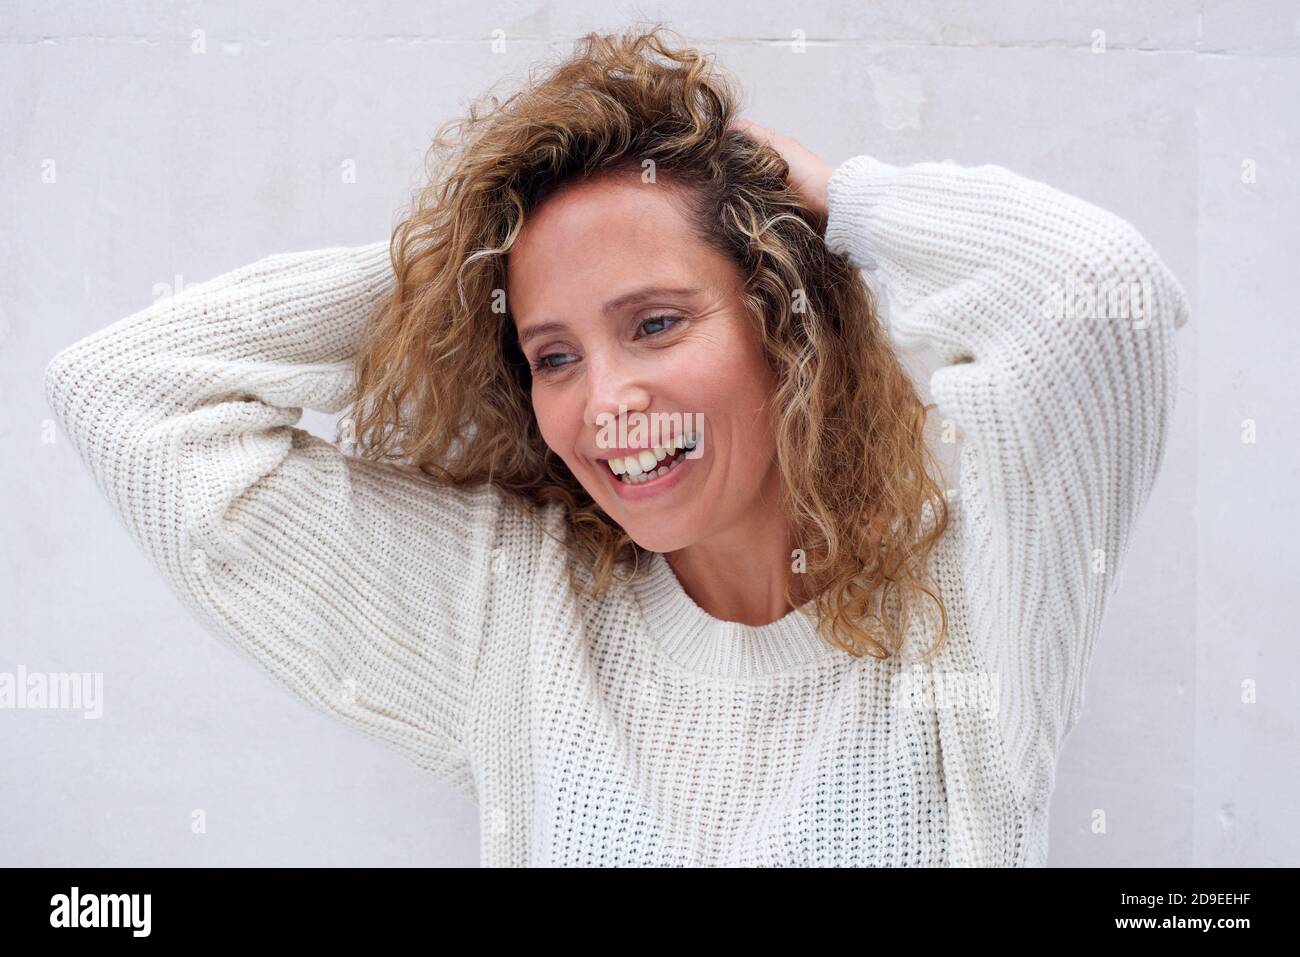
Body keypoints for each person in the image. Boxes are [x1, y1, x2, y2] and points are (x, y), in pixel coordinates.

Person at [43, 26, 1190, 866]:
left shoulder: (967, 607)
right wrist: (457, 268)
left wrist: (835, 202)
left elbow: (1092, 295)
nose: (607, 403)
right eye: (552, 355)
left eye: (653, 323)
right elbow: (128, 398)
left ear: (784, 322)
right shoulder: (516, 617)